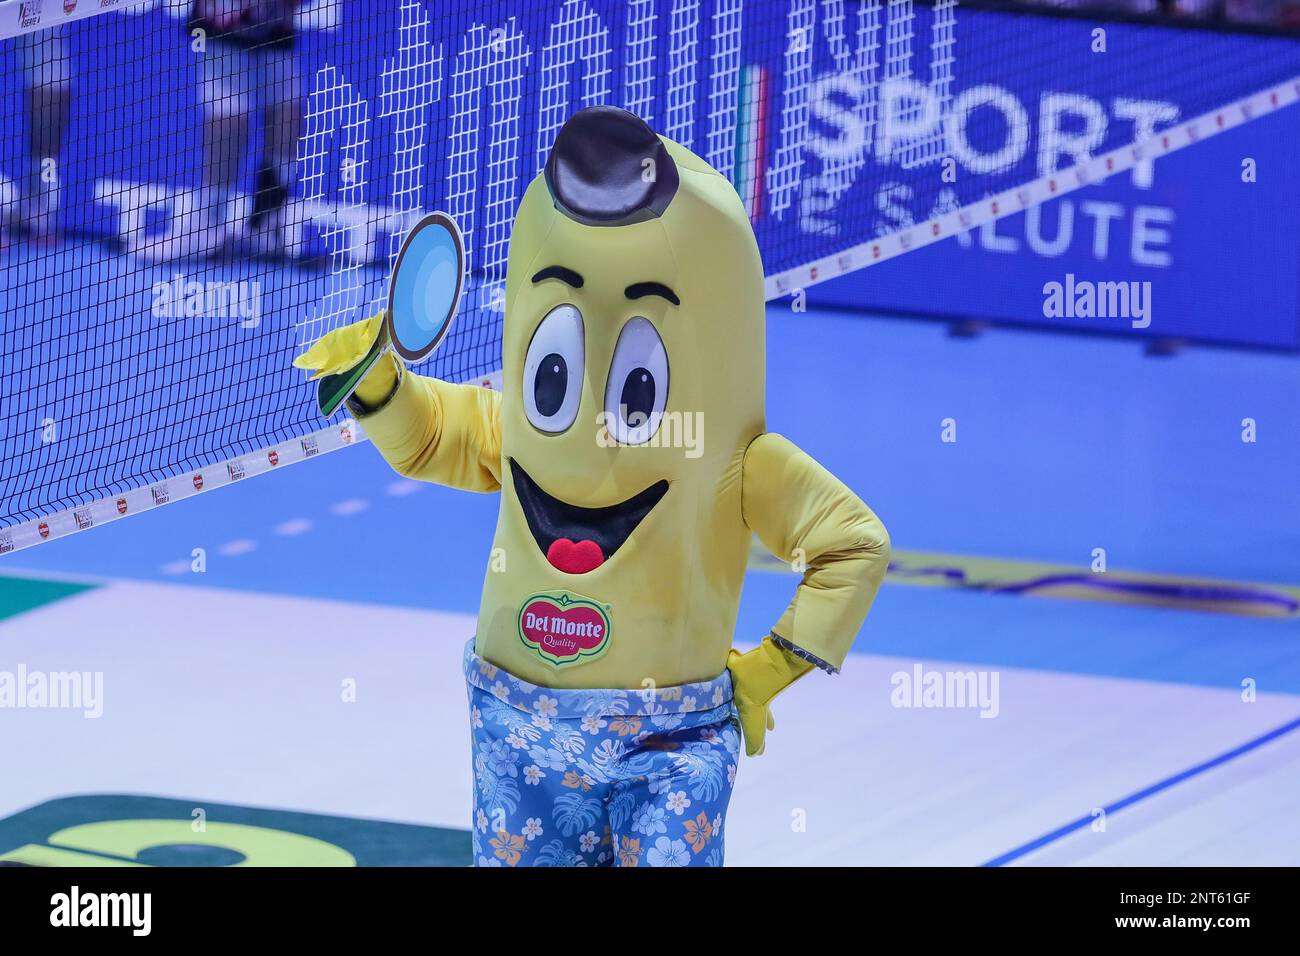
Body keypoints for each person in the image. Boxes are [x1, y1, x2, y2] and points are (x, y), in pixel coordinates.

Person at [295, 107, 892, 867]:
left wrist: (771, 669)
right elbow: (434, 436)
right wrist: (378, 384)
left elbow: (853, 545)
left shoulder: (731, 458)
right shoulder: (522, 426)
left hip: (671, 741)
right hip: (517, 729)